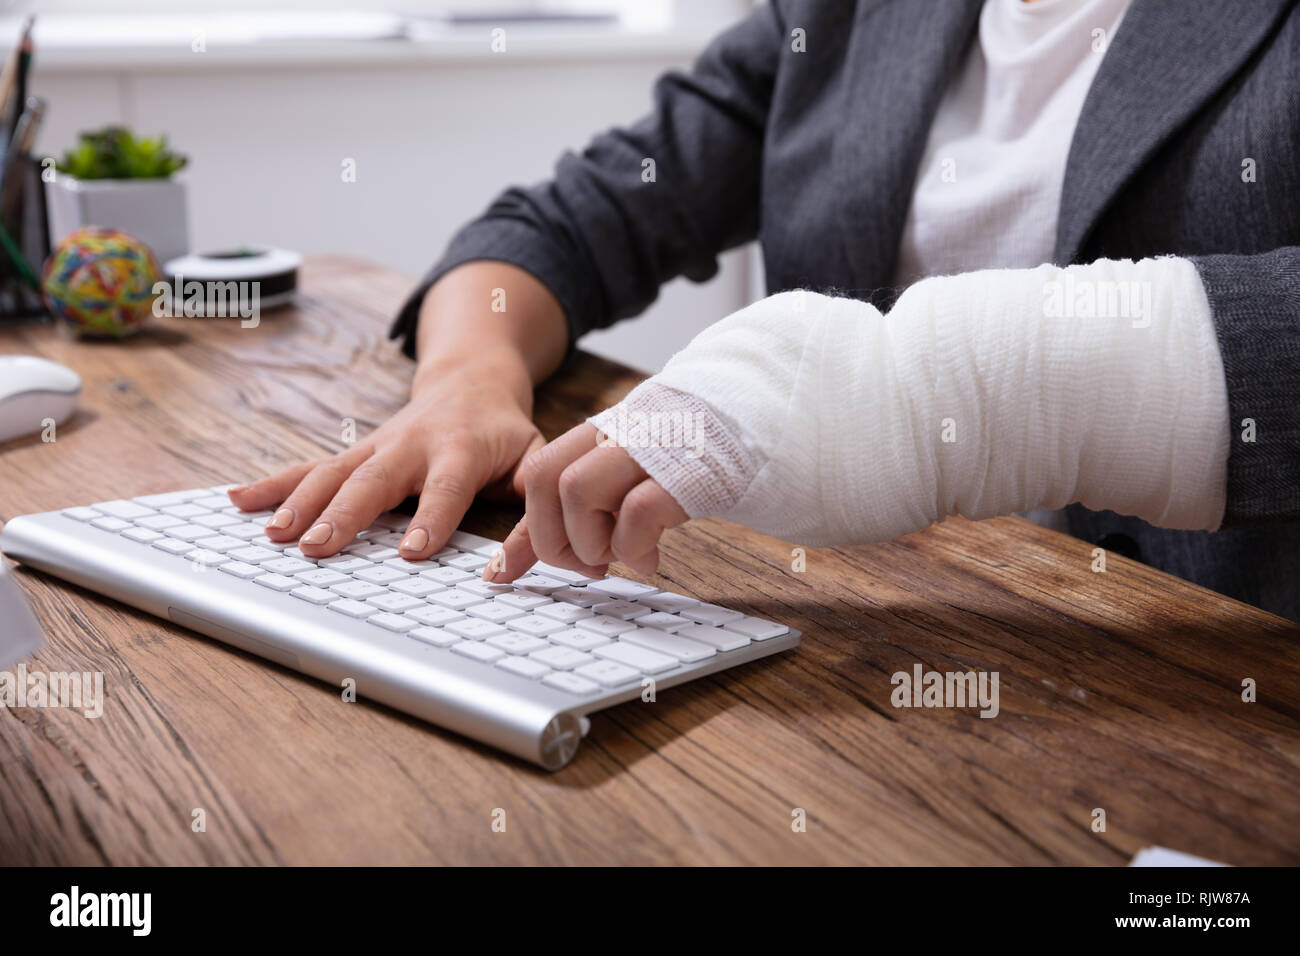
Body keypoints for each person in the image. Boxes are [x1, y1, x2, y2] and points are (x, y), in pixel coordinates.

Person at [228, 0, 1300, 621]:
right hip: (853, 624)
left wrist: (927, 387)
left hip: (1201, 672)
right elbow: (573, 218)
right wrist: (469, 380)